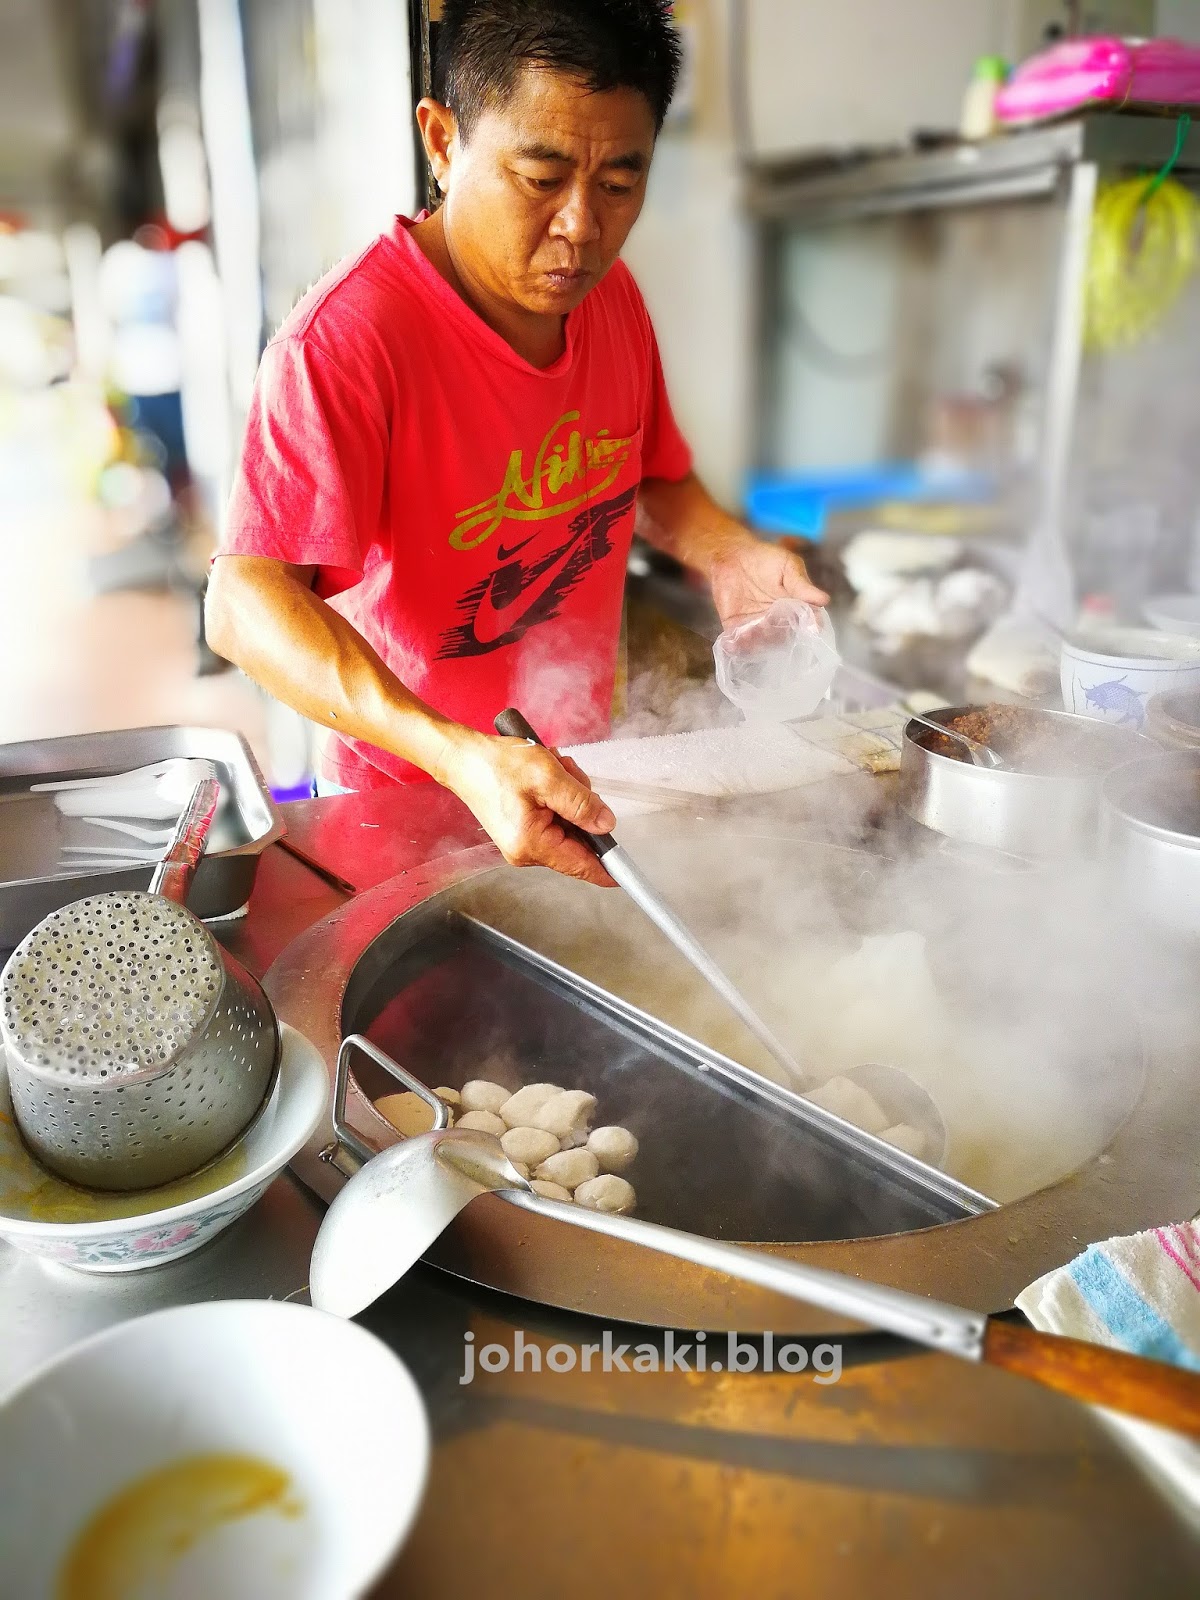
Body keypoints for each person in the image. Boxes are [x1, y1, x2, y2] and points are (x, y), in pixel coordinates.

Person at [205, 0, 826, 886]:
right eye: (540, 178)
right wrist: (459, 757)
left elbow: (651, 477)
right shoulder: (345, 344)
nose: (581, 227)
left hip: (583, 779)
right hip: (409, 801)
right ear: (442, 141)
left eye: (619, 185)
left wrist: (729, 554)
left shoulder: (610, 301)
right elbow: (243, 603)